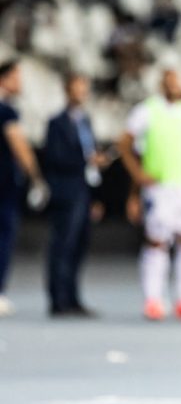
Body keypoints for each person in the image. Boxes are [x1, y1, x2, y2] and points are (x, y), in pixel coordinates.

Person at [118, 67, 181, 321]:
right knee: (157, 241)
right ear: (161, 85)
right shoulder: (147, 111)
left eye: (177, 82)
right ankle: (153, 300)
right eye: (169, 82)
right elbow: (125, 145)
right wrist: (138, 176)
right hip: (160, 188)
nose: (174, 86)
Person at [44, 73, 105, 317]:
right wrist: (87, 160)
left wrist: (96, 197)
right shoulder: (56, 123)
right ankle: (58, 299)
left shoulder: (85, 121)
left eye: (84, 88)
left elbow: (90, 158)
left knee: (79, 246)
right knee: (63, 246)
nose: (81, 93)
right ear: (67, 90)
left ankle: (72, 297)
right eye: (77, 88)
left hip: (84, 191)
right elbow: (54, 158)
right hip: (66, 191)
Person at [0, 58, 48, 317]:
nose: (20, 83)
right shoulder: (6, 111)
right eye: (17, 77)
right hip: (4, 186)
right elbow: (19, 145)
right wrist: (36, 177)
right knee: (4, 236)